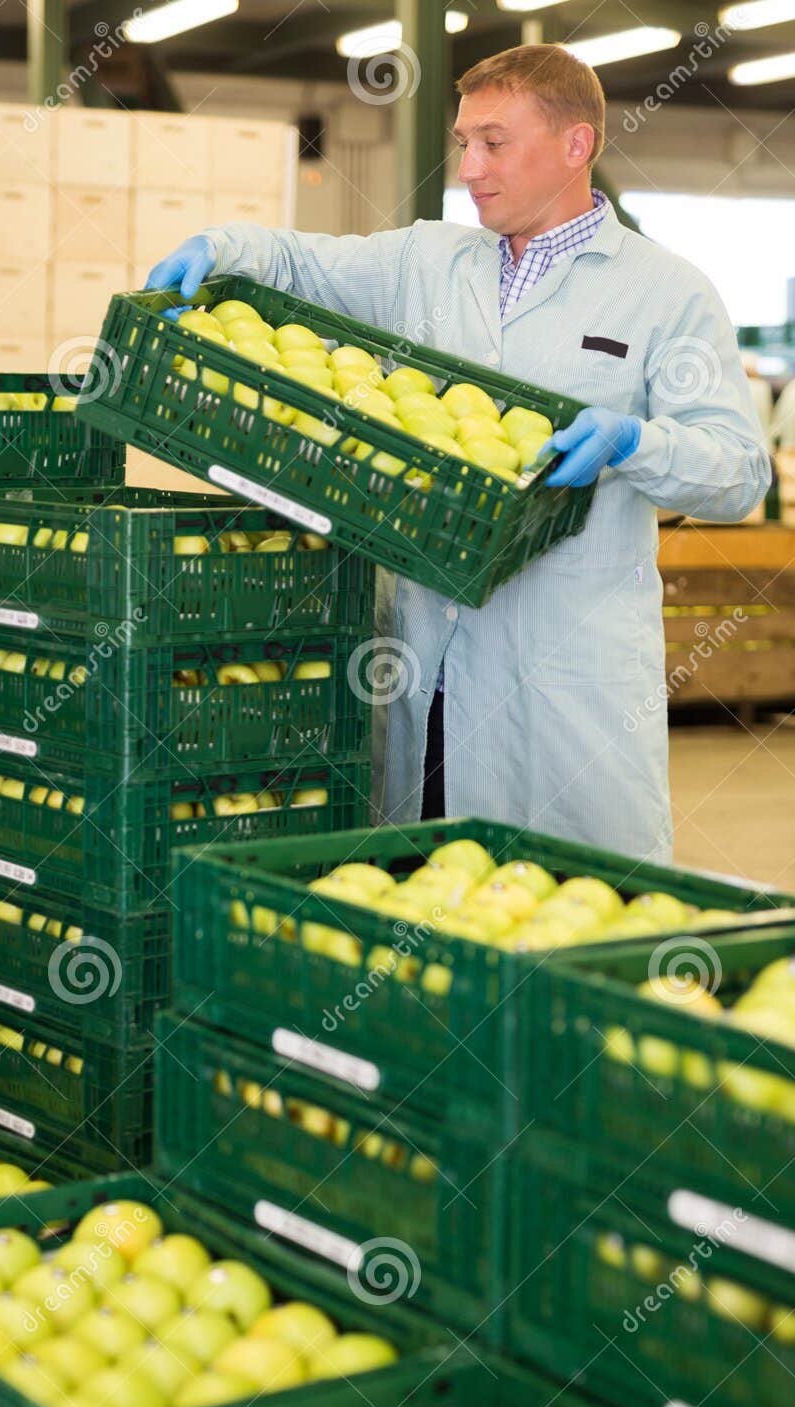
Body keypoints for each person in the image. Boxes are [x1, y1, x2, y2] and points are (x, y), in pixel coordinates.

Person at [147, 43, 769, 863]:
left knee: (563, 919)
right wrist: (222, 247)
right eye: (462, 142)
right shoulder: (426, 261)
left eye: (494, 142)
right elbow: (302, 261)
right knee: (418, 905)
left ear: (575, 145)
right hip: (419, 678)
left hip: (562, 685)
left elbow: (736, 471)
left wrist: (632, 442)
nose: (470, 166)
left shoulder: (664, 291)